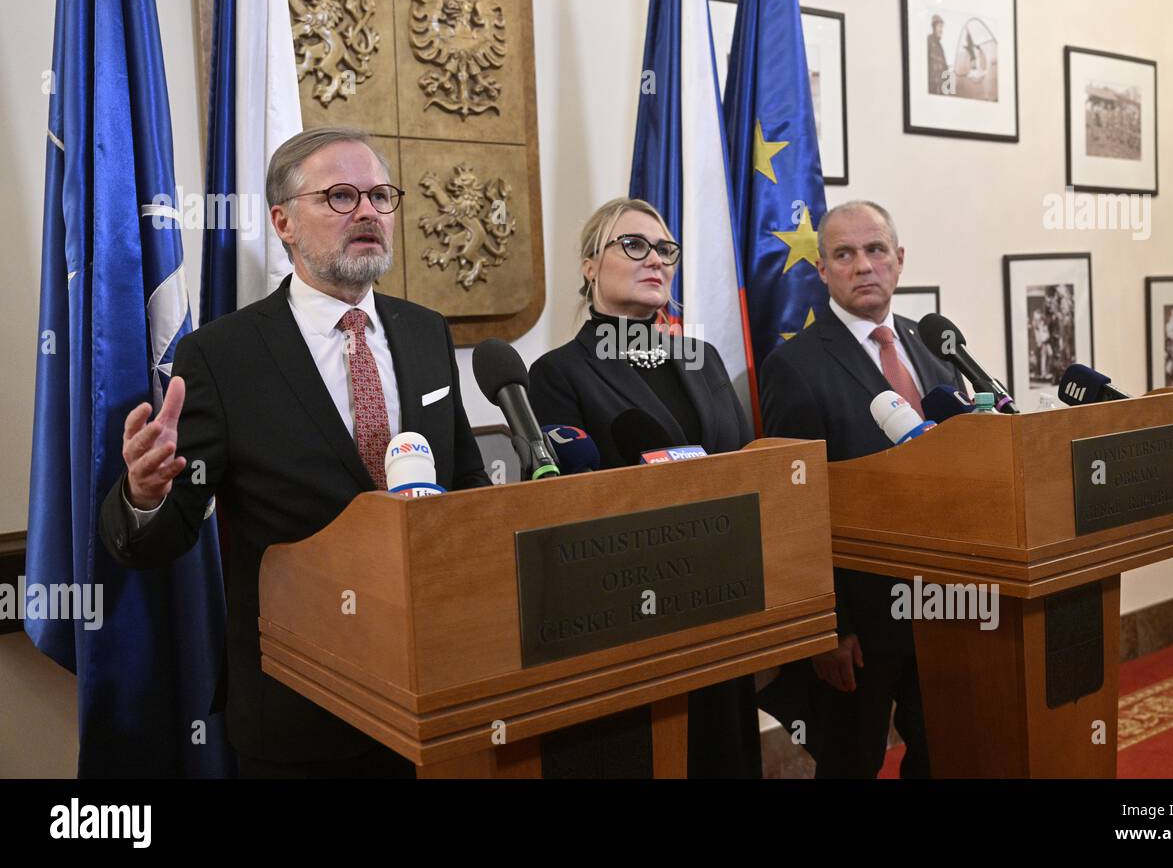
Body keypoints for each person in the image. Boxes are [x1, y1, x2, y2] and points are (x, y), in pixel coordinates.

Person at [98, 126, 490, 778]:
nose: (368, 212)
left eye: (380, 196)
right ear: (283, 221)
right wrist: (143, 493)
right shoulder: (223, 357)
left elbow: (466, 480)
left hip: (439, 692)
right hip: (303, 712)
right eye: (340, 196)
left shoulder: (425, 332)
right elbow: (162, 539)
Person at [527, 197, 760, 778]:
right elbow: (573, 501)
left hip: (724, 595)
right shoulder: (558, 372)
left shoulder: (700, 357)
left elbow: (741, 466)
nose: (655, 259)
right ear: (589, 265)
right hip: (634, 613)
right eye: (633, 245)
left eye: (665, 249)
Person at [759, 200, 963, 779]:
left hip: (946, 602)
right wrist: (829, 625)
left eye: (875, 250)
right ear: (822, 271)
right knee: (851, 762)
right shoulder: (794, 366)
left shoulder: (933, 346)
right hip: (860, 622)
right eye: (844, 254)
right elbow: (794, 506)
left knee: (946, 751)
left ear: (899, 261)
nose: (863, 265)